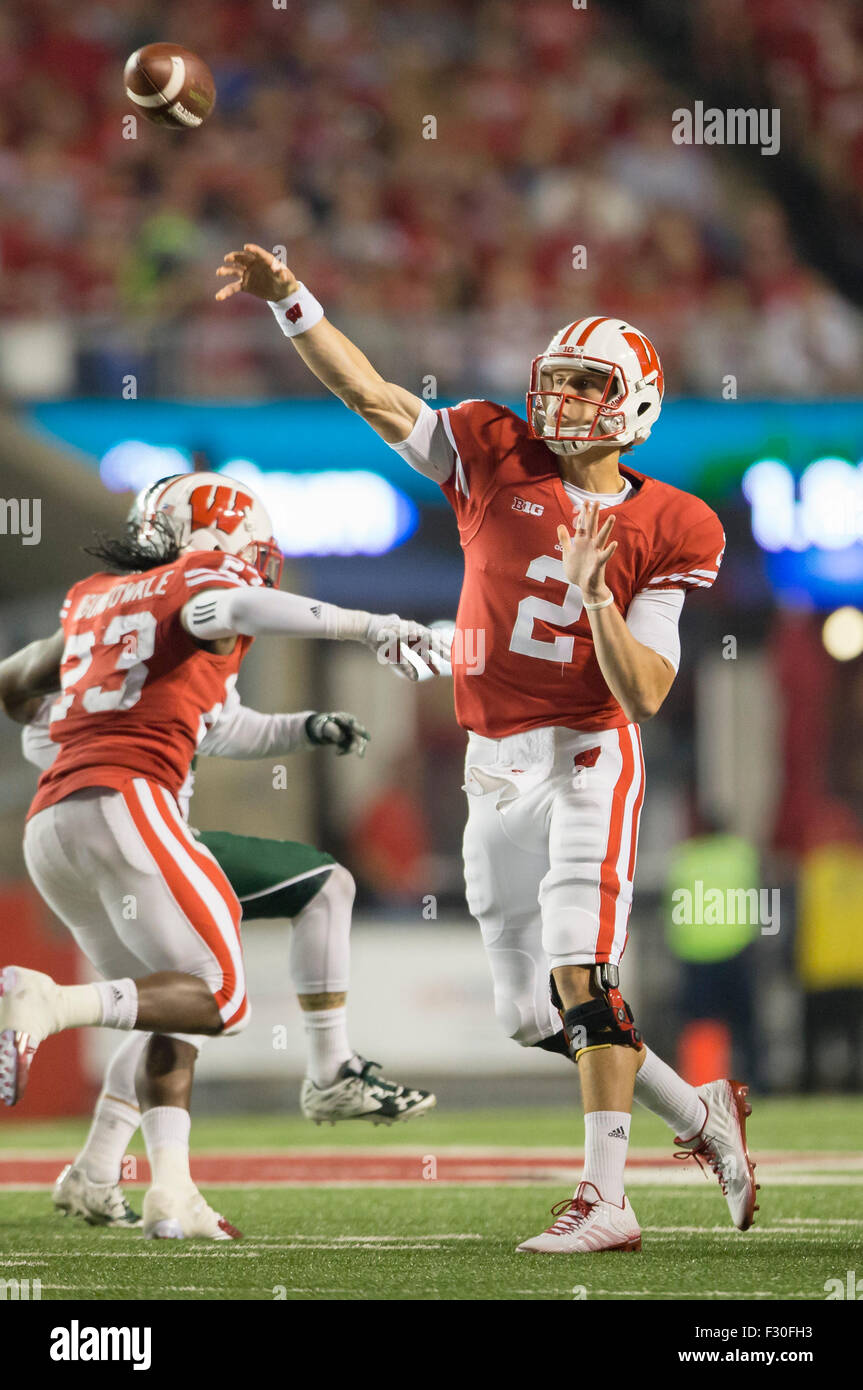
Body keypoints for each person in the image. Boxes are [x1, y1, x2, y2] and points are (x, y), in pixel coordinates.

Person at [215, 246, 758, 1253]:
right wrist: (291, 299)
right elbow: (372, 396)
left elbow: (642, 689)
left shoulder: (672, 522)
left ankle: (606, 1200)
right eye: (554, 383)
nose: (562, 404)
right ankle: (701, 1116)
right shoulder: (489, 452)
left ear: (635, 402)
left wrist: (596, 592)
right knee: (524, 1012)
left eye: (587, 387)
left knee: (578, 971)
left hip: (587, 755)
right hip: (490, 761)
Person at [0, 472, 448, 1240]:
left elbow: (15, 681)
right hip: (131, 805)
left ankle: (157, 1188)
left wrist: (55, 723)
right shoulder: (199, 579)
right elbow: (233, 604)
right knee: (223, 999)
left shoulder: (95, 599)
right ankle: (50, 1004)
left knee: (166, 999)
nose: (256, 566)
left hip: (55, 823)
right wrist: (369, 626)